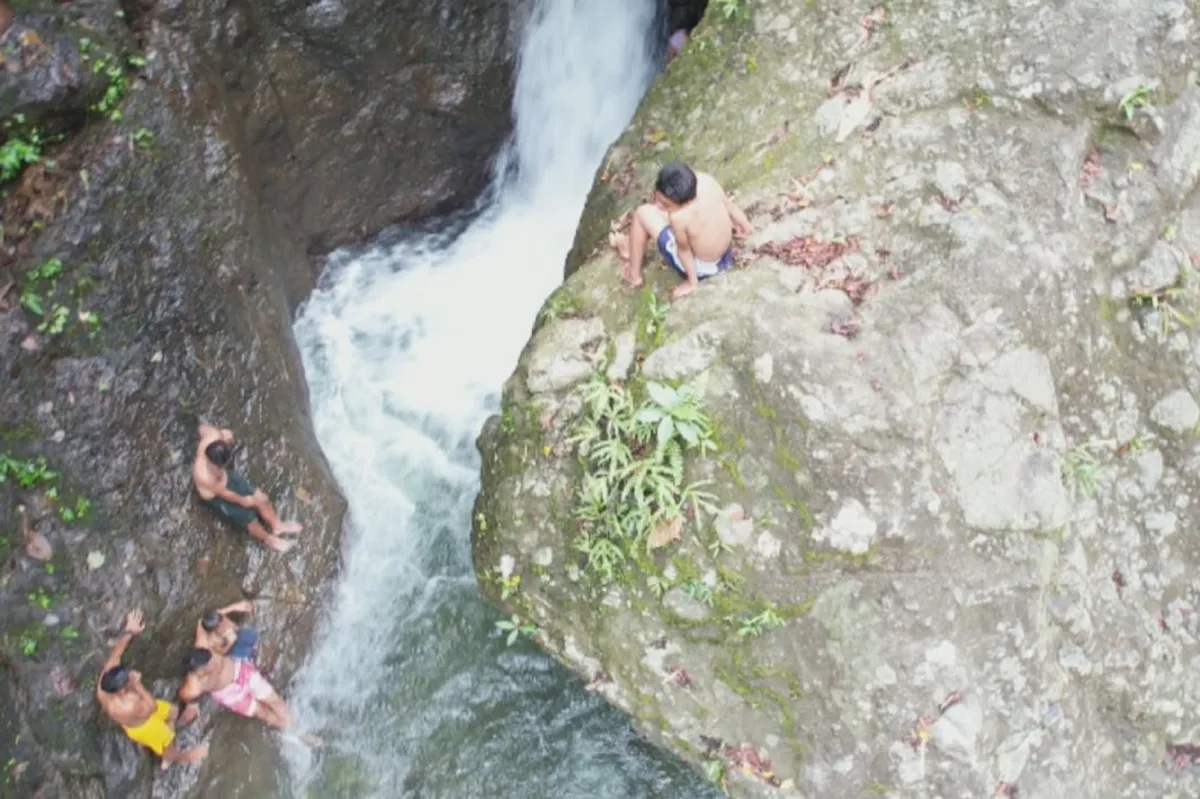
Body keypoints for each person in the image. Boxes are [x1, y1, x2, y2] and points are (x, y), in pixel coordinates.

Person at [618, 161, 754, 301]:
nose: (658, 205)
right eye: (657, 197)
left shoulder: (680, 218)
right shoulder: (706, 180)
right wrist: (746, 227)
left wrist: (692, 283)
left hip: (706, 267)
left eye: (665, 204)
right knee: (658, 212)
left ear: (685, 202)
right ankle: (632, 245)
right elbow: (728, 205)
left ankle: (634, 276)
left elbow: (684, 251)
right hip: (725, 252)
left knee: (642, 214)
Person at [95, 609, 208, 769]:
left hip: (139, 712)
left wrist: (129, 632)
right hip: (143, 726)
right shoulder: (130, 704)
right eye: (127, 679)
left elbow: (116, 655)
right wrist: (136, 684)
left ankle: (171, 732)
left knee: (173, 711)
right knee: (164, 745)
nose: (130, 674)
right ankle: (180, 757)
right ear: (121, 691)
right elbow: (152, 707)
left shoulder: (103, 686)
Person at [192, 423, 302, 553]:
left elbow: (203, 428)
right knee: (248, 519)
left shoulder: (213, 437)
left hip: (228, 478)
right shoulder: (203, 475)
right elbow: (225, 493)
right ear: (210, 462)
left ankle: (278, 525)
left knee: (262, 499)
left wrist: (223, 433)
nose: (220, 469)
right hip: (217, 496)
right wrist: (244, 500)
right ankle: (268, 539)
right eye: (218, 467)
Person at [178, 647, 316, 745]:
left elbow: (202, 625)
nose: (212, 663)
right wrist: (192, 704)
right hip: (230, 695)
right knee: (262, 713)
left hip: (242, 673)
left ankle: (296, 728)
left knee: (275, 701)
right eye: (208, 665)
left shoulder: (206, 649)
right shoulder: (194, 687)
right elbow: (185, 696)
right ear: (200, 672)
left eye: (211, 659)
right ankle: (295, 732)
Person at [194, 599, 258, 660]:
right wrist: (230, 643)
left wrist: (237, 606)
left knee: (253, 635)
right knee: (248, 653)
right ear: (214, 630)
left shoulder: (217, 616)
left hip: (236, 634)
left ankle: (254, 646)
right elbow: (221, 653)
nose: (223, 624)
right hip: (229, 649)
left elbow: (222, 611)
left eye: (222, 621)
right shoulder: (211, 640)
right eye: (220, 625)